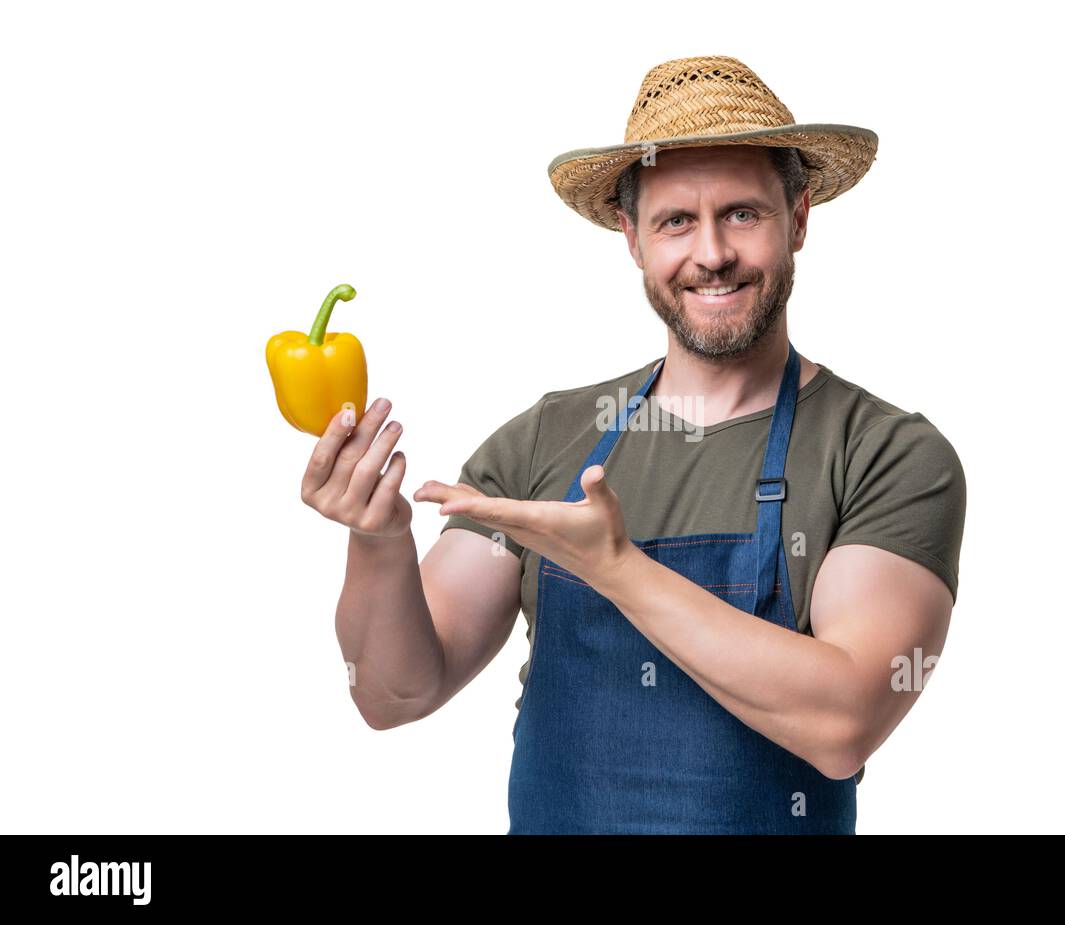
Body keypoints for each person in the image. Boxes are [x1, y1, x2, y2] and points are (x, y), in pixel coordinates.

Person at [300, 55, 966, 834]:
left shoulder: (884, 453)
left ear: (799, 219)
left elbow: (844, 720)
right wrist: (379, 542)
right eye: (675, 220)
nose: (710, 253)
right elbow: (393, 694)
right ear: (632, 237)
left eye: (742, 214)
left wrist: (616, 568)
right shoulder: (546, 440)